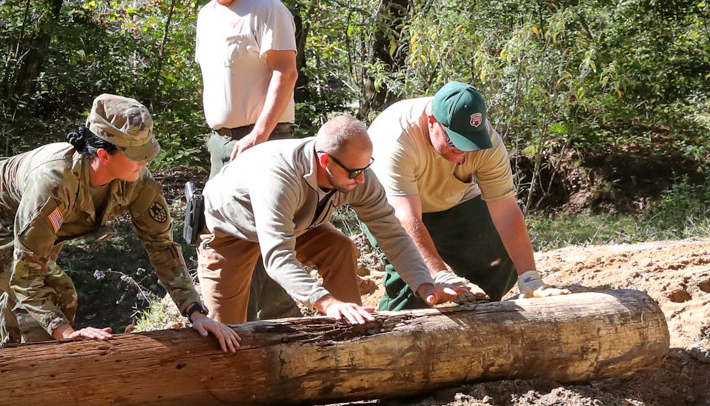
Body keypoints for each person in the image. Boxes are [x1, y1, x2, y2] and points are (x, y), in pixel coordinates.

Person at [0, 95, 242, 353]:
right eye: (136, 156)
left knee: (12, 309)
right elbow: (26, 276)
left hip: (31, 226)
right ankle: (35, 404)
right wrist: (66, 333)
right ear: (102, 154)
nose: (145, 162)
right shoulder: (54, 183)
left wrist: (195, 312)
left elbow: (163, 248)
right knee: (53, 291)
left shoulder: (138, 182)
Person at [199, 114, 468, 324]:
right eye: (354, 172)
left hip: (297, 221)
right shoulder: (279, 179)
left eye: (365, 168)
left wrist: (424, 284)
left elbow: (391, 232)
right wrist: (326, 302)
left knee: (338, 249)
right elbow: (278, 258)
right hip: (232, 233)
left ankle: (351, 331)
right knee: (226, 332)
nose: (361, 179)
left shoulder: (355, 171)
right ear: (325, 161)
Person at [193, 0, 299, 319]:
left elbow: (285, 73)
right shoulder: (206, 16)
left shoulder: (266, 7)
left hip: (264, 140)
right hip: (222, 143)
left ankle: (282, 325)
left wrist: (259, 134)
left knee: (266, 232)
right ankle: (234, 326)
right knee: (226, 234)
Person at [369, 81, 542, 311]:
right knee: (414, 277)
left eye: (470, 144)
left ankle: (475, 319)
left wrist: (531, 280)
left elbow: (507, 213)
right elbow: (405, 218)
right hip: (392, 209)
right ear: (432, 122)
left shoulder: (487, 142)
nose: (462, 154)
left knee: (498, 258)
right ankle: (389, 335)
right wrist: (440, 275)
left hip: (451, 202)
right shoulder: (397, 139)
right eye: (454, 143)